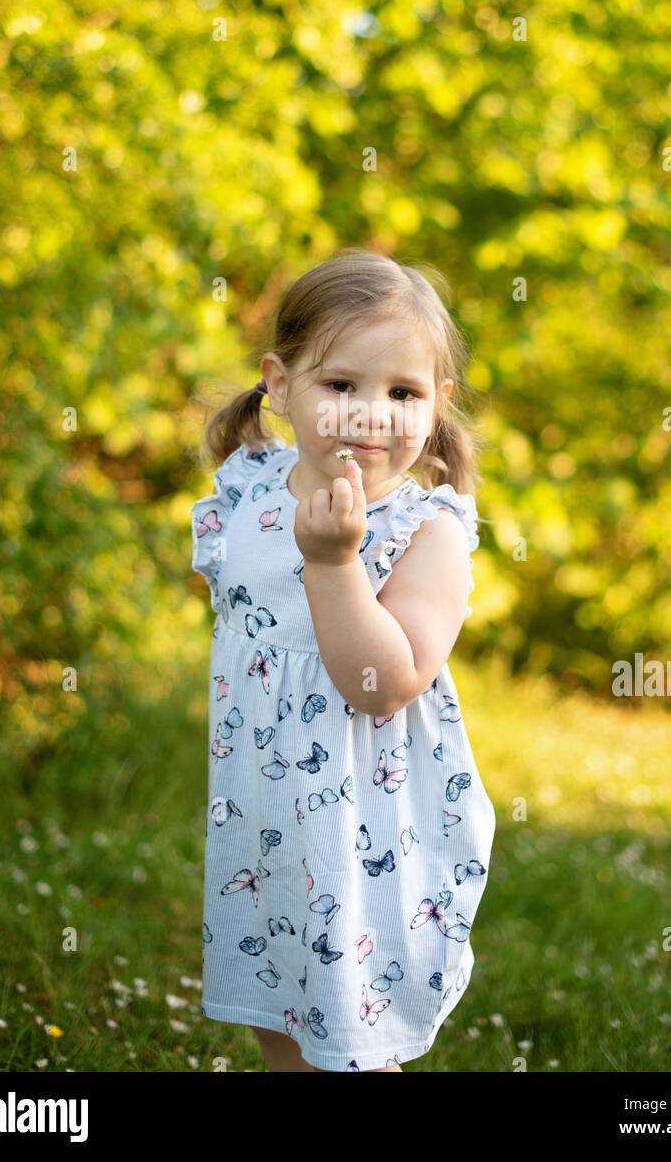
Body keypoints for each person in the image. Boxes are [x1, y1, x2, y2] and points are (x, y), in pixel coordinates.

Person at [190, 249, 495, 1072]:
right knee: (278, 1021)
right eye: (340, 386)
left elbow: (384, 684)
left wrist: (332, 564)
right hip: (264, 819)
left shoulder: (426, 533)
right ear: (280, 386)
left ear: (436, 407)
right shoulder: (248, 491)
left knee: (351, 1043)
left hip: (365, 832)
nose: (370, 414)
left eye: (402, 392)